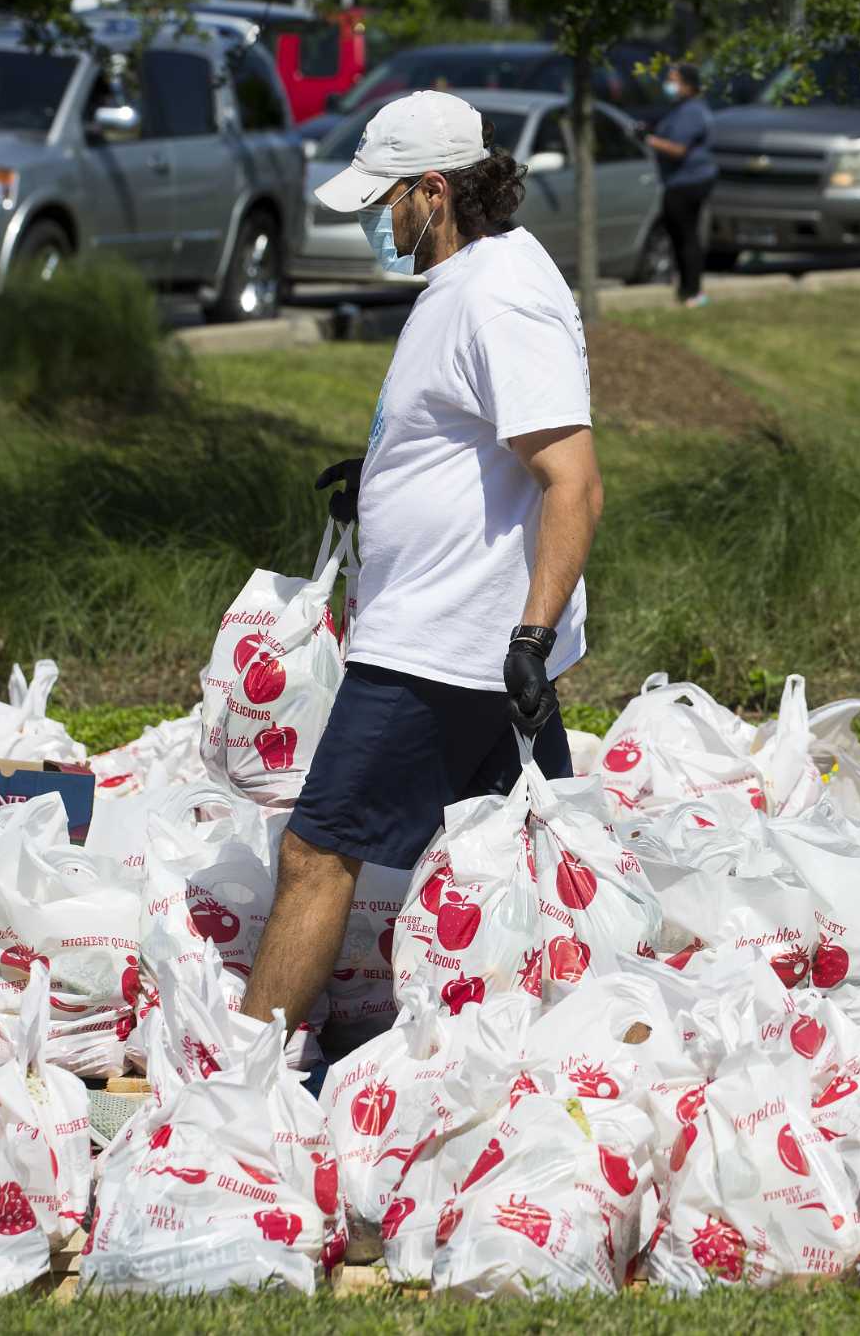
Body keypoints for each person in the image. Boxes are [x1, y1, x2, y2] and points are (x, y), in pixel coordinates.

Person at [240, 90, 603, 1030]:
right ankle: (569, 1044)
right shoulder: (473, 281)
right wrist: (389, 473)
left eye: (384, 199)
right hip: (466, 638)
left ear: (434, 192)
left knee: (317, 854)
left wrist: (530, 634)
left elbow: (573, 481)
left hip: (442, 647)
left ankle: (237, 1092)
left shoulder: (500, 296)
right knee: (533, 861)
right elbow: (480, 437)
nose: (374, 219)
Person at [637, 61, 717, 307]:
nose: (668, 84)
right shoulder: (680, 109)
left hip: (688, 182)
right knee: (679, 235)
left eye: (674, 80)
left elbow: (678, 149)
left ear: (688, 86)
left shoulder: (692, 111)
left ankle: (693, 291)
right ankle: (686, 290)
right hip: (677, 181)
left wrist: (648, 140)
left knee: (686, 236)